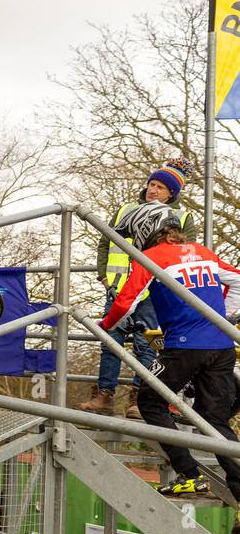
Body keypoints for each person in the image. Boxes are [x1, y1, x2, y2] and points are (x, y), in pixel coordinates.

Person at [100, 202, 240, 500]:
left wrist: (107, 325)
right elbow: (239, 280)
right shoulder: (203, 252)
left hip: (184, 347)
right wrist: (220, 318)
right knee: (214, 421)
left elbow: (126, 302)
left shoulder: (151, 257)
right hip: (222, 344)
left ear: (144, 230)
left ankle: (190, 475)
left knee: (151, 402)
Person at [83, 159, 197, 420]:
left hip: (153, 293)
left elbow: (184, 255)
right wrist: (104, 277)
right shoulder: (126, 210)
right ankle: (104, 396)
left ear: (172, 193)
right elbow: (105, 242)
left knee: (148, 347)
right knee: (111, 343)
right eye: (151, 184)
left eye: (159, 186)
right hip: (119, 288)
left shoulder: (181, 217)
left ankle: (140, 399)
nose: (152, 189)